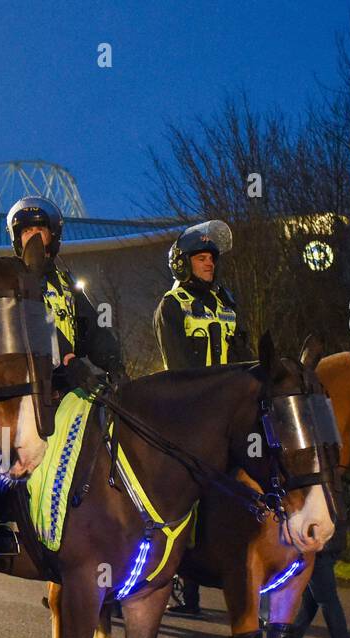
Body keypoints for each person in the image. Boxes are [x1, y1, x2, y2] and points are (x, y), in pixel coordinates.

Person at [0, 197, 126, 556]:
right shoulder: (11, 280)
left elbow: (92, 327)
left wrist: (114, 362)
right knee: (12, 445)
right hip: (26, 388)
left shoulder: (64, 282)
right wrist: (70, 359)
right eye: (26, 230)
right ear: (17, 238)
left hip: (69, 386)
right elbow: (33, 323)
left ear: (53, 237)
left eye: (39, 230)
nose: (33, 237)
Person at [156, 220, 254, 615]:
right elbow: (179, 366)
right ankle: (182, 580)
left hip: (231, 412)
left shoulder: (227, 302)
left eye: (211, 259)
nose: (209, 265)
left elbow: (245, 354)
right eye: (200, 259)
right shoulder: (172, 305)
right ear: (183, 264)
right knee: (184, 492)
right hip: (191, 413)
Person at [292, 520, 350, 638]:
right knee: (310, 601)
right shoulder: (332, 496)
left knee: (327, 601)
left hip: (318, 550)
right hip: (326, 547)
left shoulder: (319, 497)